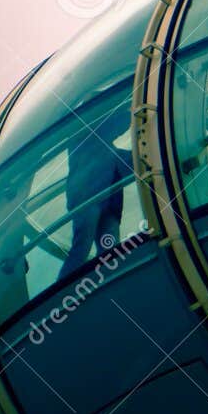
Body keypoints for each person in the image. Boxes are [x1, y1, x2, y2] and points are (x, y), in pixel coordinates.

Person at [60, 99, 132, 281]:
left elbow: (125, 159)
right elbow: (119, 125)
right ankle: (63, 288)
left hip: (105, 203)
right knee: (83, 246)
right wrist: (124, 103)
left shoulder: (101, 145)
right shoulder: (87, 135)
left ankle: (112, 282)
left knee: (108, 249)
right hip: (89, 199)